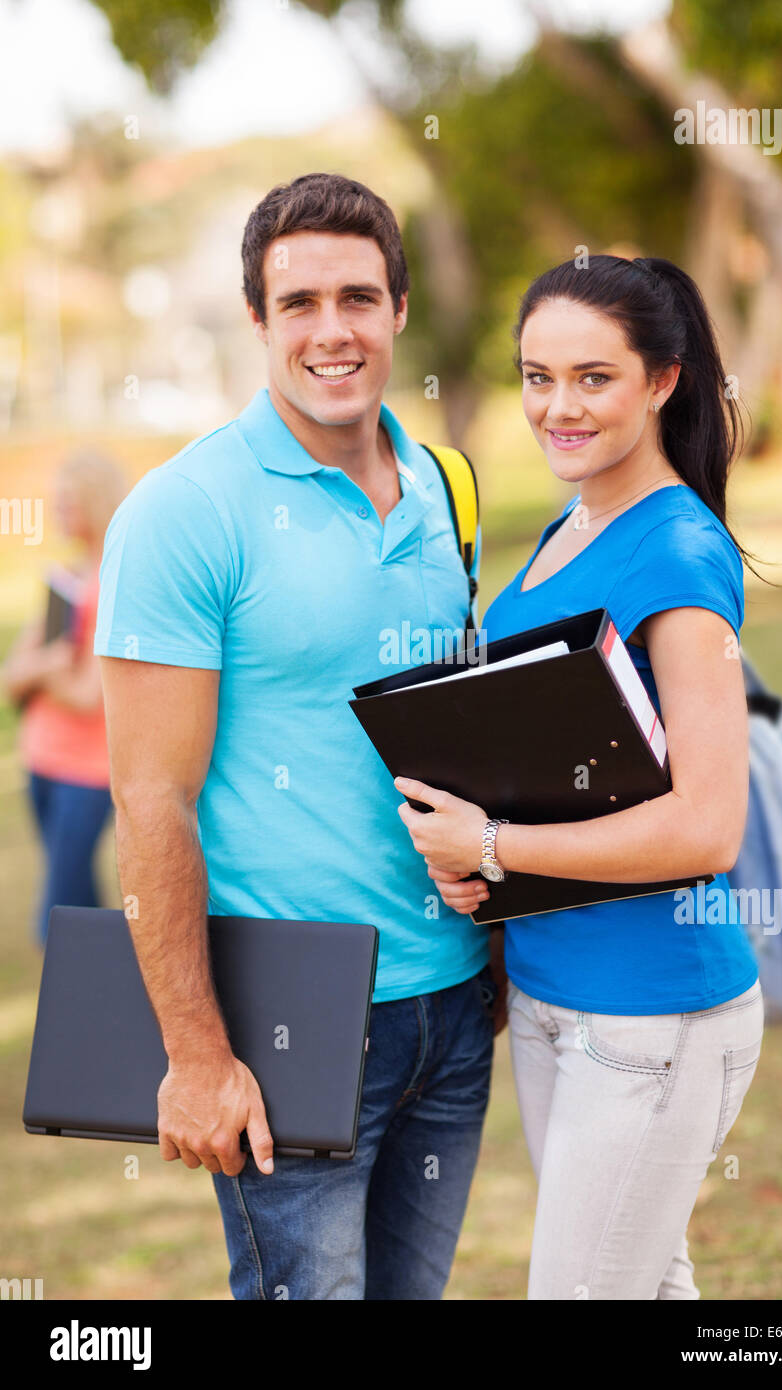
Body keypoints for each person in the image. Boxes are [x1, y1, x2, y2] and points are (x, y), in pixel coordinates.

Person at [94, 173, 503, 1301]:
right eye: (302, 302)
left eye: (359, 298)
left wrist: (503, 935)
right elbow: (151, 799)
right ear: (259, 321)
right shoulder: (187, 512)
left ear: (399, 313)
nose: (334, 330)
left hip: (452, 1007)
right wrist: (192, 1053)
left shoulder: (443, 486)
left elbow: (454, 727)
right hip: (289, 1022)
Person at [396, 254, 763, 1300]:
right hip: (557, 990)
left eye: (592, 378)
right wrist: (483, 873)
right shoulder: (571, 523)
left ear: (661, 381)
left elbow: (706, 826)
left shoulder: (678, 555)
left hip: (650, 1013)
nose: (556, 407)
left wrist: (496, 848)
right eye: (536, 376)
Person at [1, 450, 127, 945]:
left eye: (68, 503)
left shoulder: (116, 585)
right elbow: (11, 678)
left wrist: (45, 670)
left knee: (55, 919)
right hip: (41, 759)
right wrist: (46, 667)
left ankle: (92, 1006)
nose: (58, 514)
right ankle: (95, 1010)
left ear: (95, 505)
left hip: (88, 771)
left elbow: (83, 696)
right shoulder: (66, 579)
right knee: (78, 905)